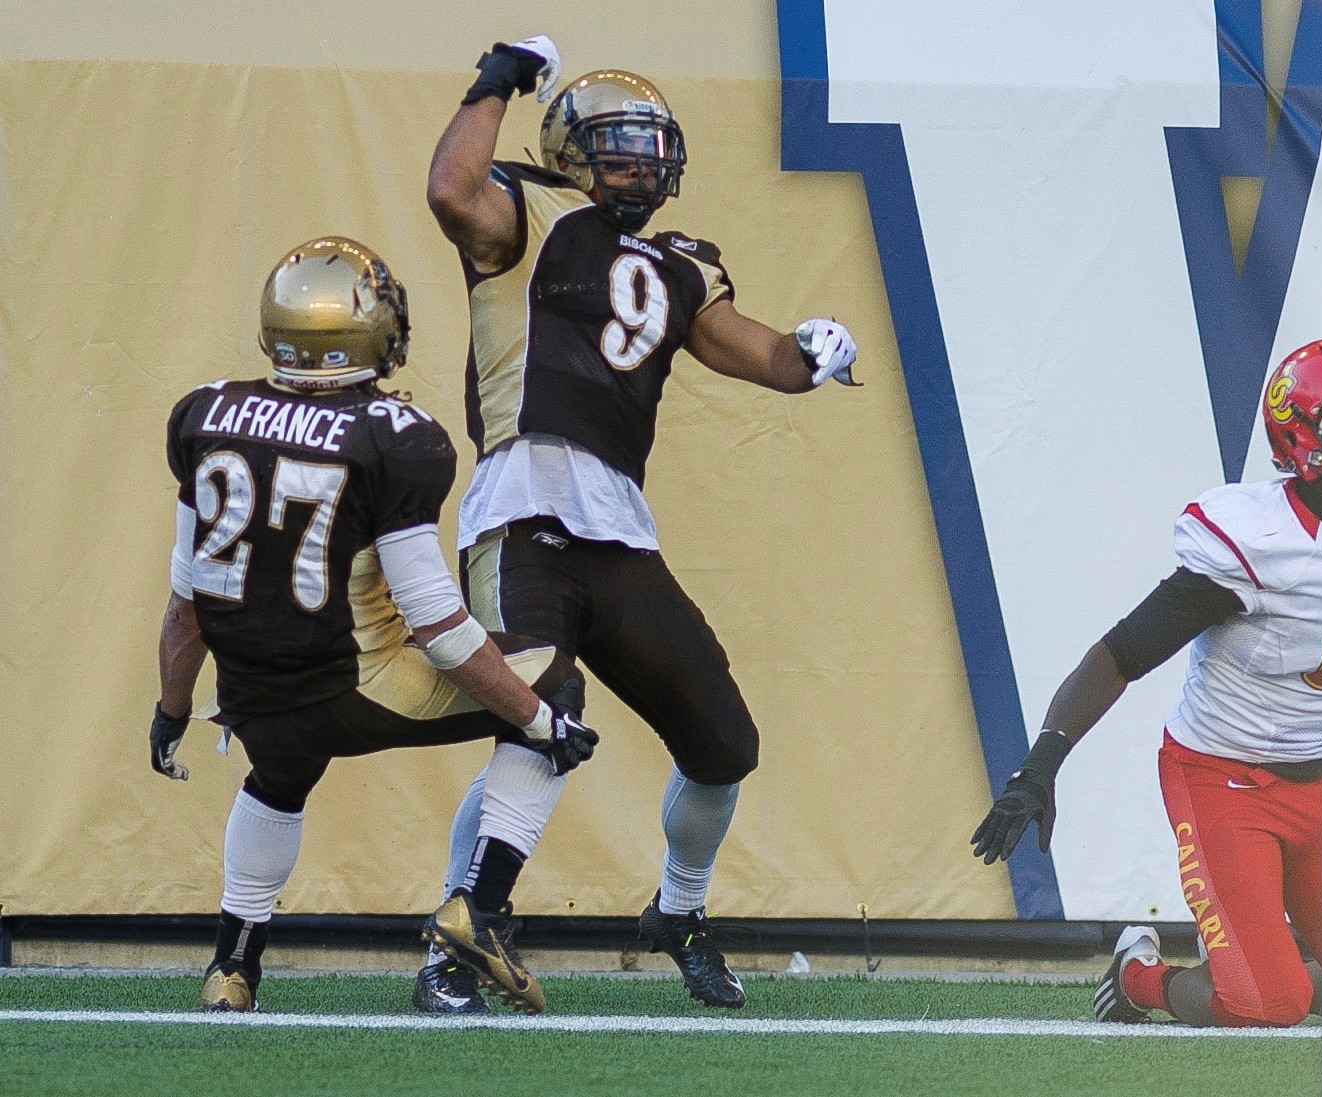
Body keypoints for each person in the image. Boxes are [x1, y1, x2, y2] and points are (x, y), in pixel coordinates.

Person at [414, 35, 858, 1011]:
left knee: (723, 744)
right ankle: (461, 936)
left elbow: (760, 356)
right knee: (539, 702)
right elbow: (451, 190)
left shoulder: (680, 263)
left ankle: (677, 910)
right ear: (570, 152)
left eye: (651, 150)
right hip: (522, 505)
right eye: (617, 148)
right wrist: (496, 80)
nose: (639, 166)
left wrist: (809, 351)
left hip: (616, 530)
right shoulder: (529, 211)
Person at [151, 235, 599, 1016]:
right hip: (359, 687)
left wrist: (171, 709)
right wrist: (537, 719)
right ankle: (478, 910)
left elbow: (186, 610)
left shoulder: (206, 413)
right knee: (557, 683)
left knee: (278, 777)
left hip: (255, 700)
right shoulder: (394, 436)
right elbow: (440, 624)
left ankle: (231, 967)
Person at [970, 338, 1322, 1028]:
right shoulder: (1260, 544)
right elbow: (1121, 654)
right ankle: (1137, 976)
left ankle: (1249, 950)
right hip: (1228, 780)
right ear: (1302, 439)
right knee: (1270, 1003)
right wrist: (1039, 765)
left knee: (1288, 984)